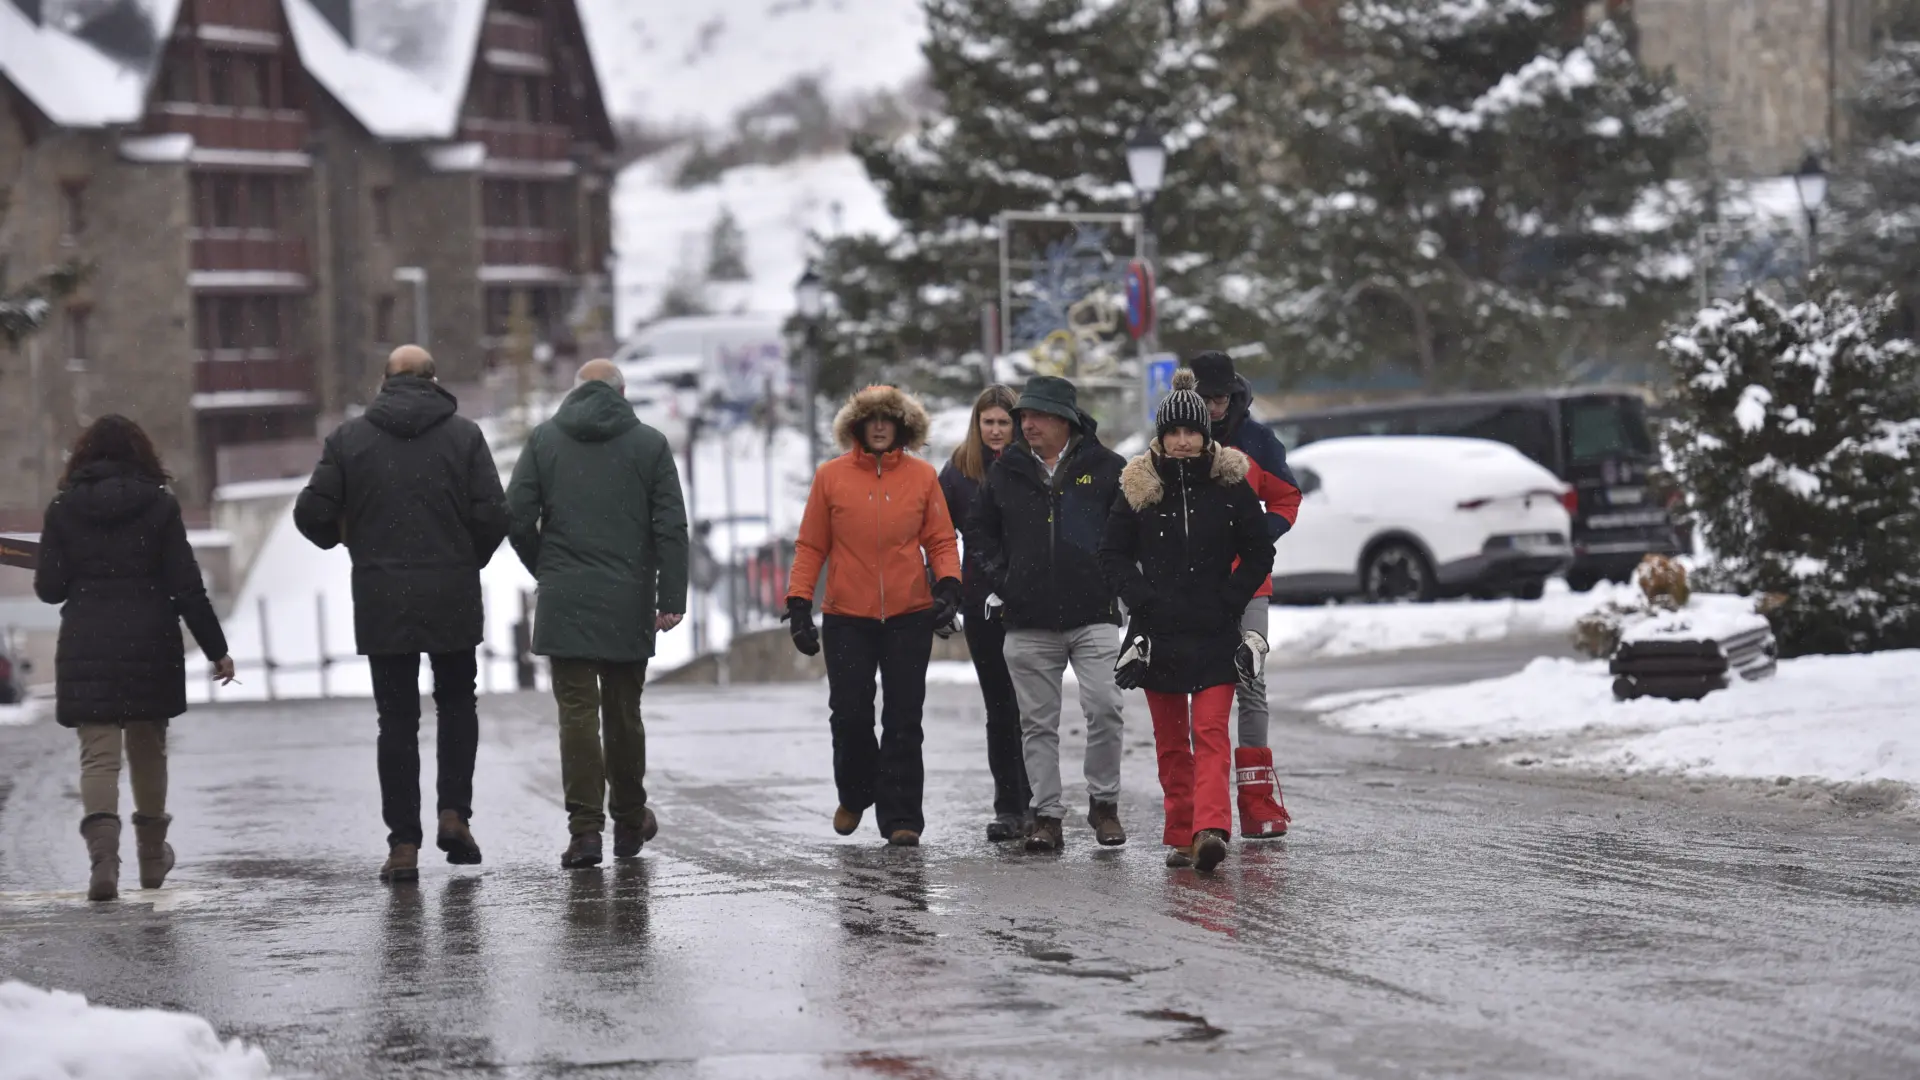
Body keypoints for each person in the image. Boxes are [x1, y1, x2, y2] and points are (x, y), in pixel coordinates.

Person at [295, 345, 508, 883]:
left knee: (396, 720)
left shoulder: (350, 441)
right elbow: (492, 515)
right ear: (434, 381)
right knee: (458, 703)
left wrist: (349, 541)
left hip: (382, 594)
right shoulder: (464, 436)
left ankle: (403, 845)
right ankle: (454, 814)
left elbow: (310, 514)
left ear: (384, 382)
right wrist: (464, 559)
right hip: (451, 591)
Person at [33, 416, 237, 902]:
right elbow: (187, 587)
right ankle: (151, 859)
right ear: (142, 456)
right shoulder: (160, 507)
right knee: (148, 749)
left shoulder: (63, 509)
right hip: (150, 640)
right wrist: (218, 650)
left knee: (97, 757)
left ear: (82, 458)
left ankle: (104, 863)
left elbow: (49, 588)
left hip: (88, 642)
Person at [507, 359, 689, 869]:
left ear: (576, 391)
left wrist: (547, 566)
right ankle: (630, 817)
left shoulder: (545, 440)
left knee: (578, 715)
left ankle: (585, 831)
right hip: (628, 599)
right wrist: (670, 596)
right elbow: (671, 526)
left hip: (565, 598)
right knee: (624, 713)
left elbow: (516, 515)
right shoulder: (649, 444)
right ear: (622, 392)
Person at [1099, 371, 1275, 873]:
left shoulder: (1230, 485)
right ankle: (1181, 834)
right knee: (1173, 741)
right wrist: (1142, 601)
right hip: (1157, 635)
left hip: (1216, 631)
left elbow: (1259, 552)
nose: (1182, 441)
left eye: (1191, 432)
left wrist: (1231, 598)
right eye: (1174, 432)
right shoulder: (1138, 487)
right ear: (1161, 435)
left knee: (1212, 731)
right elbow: (1111, 553)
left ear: (1206, 434)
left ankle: (1210, 830)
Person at [786, 385, 961, 846]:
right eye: (872, 420)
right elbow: (811, 545)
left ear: (903, 427)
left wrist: (948, 584)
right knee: (849, 715)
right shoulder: (831, 477)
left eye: (889, 419)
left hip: (909, 614)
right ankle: (855, 791)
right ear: (858, 427)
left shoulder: (923, 478)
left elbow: (941, 540)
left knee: (904, 719)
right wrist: (799, 603)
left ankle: (902, 816)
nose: (881, 427)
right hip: (848, 616)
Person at [964, 375, 1127, 853]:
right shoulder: (1005, 470)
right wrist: (1005, 581)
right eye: (1022, 418)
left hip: (1094, 613)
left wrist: (1114, 579)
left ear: (1063, 420)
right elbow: (978, 532)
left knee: (1105, 708)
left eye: (1034, 416)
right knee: (1036, 725)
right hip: (1028, 620)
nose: (1025, 424)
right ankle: (1047, 815)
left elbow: (1126, 533)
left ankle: (1105, 803)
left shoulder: (1107, 468)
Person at [1188, 350, 1301, 838]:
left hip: (1249, 583)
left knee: (1250, 682)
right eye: (1205, 398)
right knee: (1197, 687)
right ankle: (1200, 808)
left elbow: (1287, 497)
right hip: (1192, 584)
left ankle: (1256, 800)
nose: (1214, 407)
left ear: (1233, 394)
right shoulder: (1176, 437)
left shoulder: (1257, 439)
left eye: (1221, 398)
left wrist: (1258, 538)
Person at [937, 384, 1030, 841]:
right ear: (977, 425)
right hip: (980, 602)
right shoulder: (957, 472)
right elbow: (937, 536)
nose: (995, 431)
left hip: (1032, 599)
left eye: (1003, 422)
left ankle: (1039, 803)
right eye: (988, 422)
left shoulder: (1032, 464)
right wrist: (945, 591)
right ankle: (1009, 805)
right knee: (1000, 706)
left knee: (1033, 706)